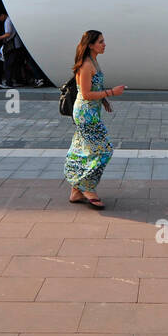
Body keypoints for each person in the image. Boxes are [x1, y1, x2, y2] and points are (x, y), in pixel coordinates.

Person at [64, 30, 125, 209]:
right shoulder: (85, 65)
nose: (104, 44)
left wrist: (104, 99)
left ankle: (76, 192)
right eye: (101, 41)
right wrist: (112, 92)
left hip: (91, 112)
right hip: (85, 114)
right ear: (91, 45)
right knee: (104, 150)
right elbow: (86, 93)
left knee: (85, 151)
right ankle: (87, 187)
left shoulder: (94, 62)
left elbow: (94, 86)